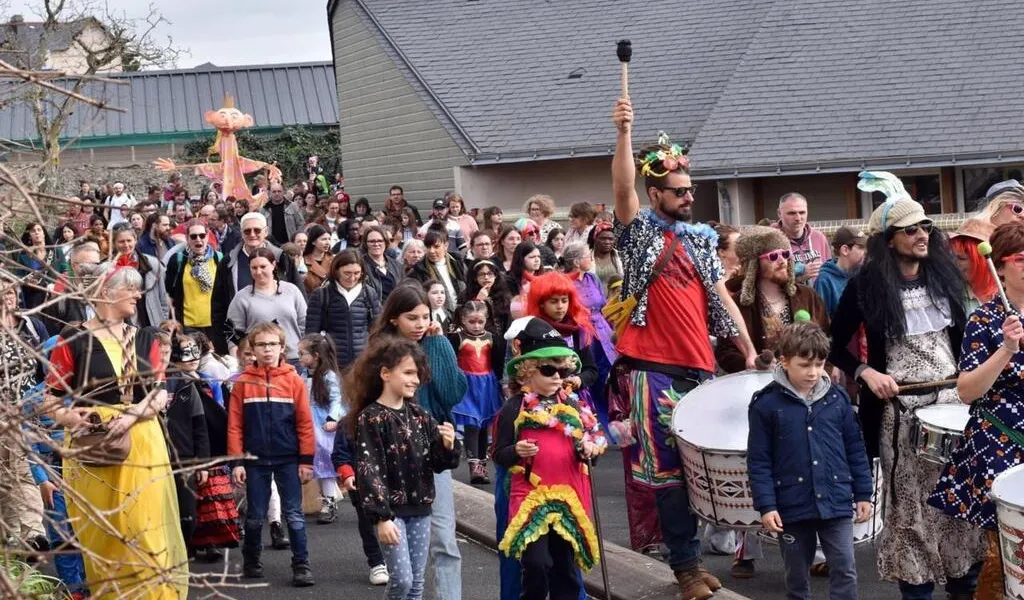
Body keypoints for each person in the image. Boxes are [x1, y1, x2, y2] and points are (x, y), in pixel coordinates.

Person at [611, 96, 756, 600]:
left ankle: (692, 560)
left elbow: (722, 298)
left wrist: (748, 348)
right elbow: (622, 188)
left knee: (699, 472)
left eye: (691, 189)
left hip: (700, 371)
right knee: (669, 476)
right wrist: (624, 132)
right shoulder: (638, 235)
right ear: (656, 194)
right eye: (679, 191)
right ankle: (686, 569)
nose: (689, 197)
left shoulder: (699, 240)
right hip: (653, 371)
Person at [829, 171, 986, 599]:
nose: (922, 235)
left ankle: (963, 588)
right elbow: (834, 346)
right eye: (910, 229)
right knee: (910, 510)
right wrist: (866, 372)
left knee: (959, 505)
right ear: (889, 239)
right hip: (901, 415)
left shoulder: (944, 279)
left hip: (953, 406)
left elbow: (964, 343)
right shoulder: (865, 286)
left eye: (925, 227)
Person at [45, 265, 188, 598]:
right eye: (131, 288)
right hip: (92, 447)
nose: (138, 295)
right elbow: (51, 399)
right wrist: (72, 418)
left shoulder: (146, 338)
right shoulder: (72, 338)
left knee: (145, 532)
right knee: (104, 535)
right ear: (105, 292)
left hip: (142, 442)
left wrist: (132, 415)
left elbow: (159, 393)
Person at [928, 222, 1024, 598]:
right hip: (1001, 442)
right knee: (1006, 555)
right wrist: (1006, 350)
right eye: (1021, 258)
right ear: (1000, 266)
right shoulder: (985, 320)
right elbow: (967, 391)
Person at [747, 322, 873, 600]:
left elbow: (855, 448)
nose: (814, 372)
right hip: (791, 504)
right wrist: (767, 506)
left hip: (836, 499)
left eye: (819, 364)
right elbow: (759, 460)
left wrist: (864, 493)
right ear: (784, 361)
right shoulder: (765, 404)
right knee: (796, 575)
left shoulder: (838, 398)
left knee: (845, 568)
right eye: (804, 365)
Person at [493, 316, 606, 600]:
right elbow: (498, 453)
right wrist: (516, 451)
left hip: (569, 495)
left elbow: (592, 442)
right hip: (531, 496)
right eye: (548, 369)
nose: (557, 376)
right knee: (536, 563)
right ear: (527, 373)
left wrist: (589, 450)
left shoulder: (573, 404)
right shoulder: (514, 407)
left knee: (566, 570)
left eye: (562, 370)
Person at [370, 283, 467, 600]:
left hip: (433, 454)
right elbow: (366, 407)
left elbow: (451, 393)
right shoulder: (381, 354)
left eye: (426, 316)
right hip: (393, 459)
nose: (420, 324)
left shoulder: (435, 344)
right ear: (394, 318)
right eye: (412, 318)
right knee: (406, 561)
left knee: (444, 540)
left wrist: (438, 343)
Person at [349, 336, 460, 600]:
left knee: (416, 583)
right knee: (402, 579)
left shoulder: (421, 415)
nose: (415, 380)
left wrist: (447, 445)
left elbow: (437, 463)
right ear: (385, 373)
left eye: (417, 374)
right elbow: (369, 468)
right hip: (392, 512)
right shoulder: (371, 417)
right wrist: (382, 517)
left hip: (421, 508)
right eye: (408, 372)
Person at [228, 322, 316, 587]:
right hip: (255, 460)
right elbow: (235, 425)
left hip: (288, 458)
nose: (267, 349)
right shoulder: (242, 382)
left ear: (282, 348)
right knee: (255, 516)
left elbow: (304, 423)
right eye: (261, 344)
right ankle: (252, 561)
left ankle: (301, 565)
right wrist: (237, 462)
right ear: (252, 349)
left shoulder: (294, 380)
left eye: (272, 344)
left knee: (294, 514)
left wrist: (306, 460)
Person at [717, 226, 830, 374]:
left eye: (785, 254)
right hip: (759, 383)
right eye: (773, 256)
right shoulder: (738, 303)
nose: (782, 261)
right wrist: (751, 363)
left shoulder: (806, 295)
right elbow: (725, 351)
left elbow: (826, 336)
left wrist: (823, 369)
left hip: (804, 380)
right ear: (754, 264)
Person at [0, 278, 49, 556]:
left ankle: (32, 533)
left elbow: (44, 367)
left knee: (21, 468)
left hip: (27, 411)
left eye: (11, 291)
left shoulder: (30, 326)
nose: (8, 296)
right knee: (7, 475)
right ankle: (16, 537)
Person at [162, 334, 213, 560]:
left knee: (187, 509)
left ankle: (187, 549)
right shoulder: (143, 383)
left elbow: (200, 426)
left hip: (185, 457)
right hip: (155, 455)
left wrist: (202, 463)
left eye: (166, 353)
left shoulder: (186, 384)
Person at [561, 242, 618, 430]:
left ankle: (613, 419)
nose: (592, 259)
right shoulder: (565, 282)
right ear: (577, 262)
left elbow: (603, 305)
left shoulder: (592, 278)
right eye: (588, 255)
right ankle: (595, 421)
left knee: (608, 376)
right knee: (589, 375)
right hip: (582, 332)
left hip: (602, 331)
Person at [447, 300, 503, 484]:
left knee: (484, 423)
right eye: (472, 322)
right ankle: (474, 466)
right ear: (463, 319)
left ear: (486, 319)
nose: (477, 326)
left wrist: (501, 384)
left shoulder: (492, 338)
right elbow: (451, 362)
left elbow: (497, 363)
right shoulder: (457, 338)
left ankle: (482, 464)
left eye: (480, 321)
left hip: (487, 385)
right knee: (472, 424)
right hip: (467, 384)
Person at [226, 247, 307, 367]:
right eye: (254, 268)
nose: (258, 272)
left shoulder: (291, 290)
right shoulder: (241, 297)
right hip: (258, 362)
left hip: (293, 359)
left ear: (273, 265)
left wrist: (304, 353)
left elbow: (304, 323)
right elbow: (232, 332)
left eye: (263, 267)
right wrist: (236, 362)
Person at [298, 333, 345, 524]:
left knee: (325, 464)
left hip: (321, 424)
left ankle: (329, 503)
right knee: (313, 463)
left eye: (302, 354)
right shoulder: (304, 374)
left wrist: (333, 418)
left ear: (316, 355)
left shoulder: (328, 376)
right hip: (306, 421)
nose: (299, 358)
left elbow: (336, 398)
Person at [305, 250, 381, 368]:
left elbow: (377, 330)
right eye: (347, 273)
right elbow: (311, 334)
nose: (352, 278)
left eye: (357, 273)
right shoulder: (321, 295)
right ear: (336, 271)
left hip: (363, 364)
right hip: (332, 364)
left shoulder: (369, 294)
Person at [213, 212, 304, 310]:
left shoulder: (281, 258)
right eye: (247, 231)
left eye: (257, 230)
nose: (252, 235)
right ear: (241, 233)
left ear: (266, 232)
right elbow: (218, 301)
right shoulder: (228, 261)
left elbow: (299, 295)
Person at [165, 220, 229, 352]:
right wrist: (173, 321)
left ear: (207, 236)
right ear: (187, 238)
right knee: (191, 360)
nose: (198, 239)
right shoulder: (178, 260)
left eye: (202, 235)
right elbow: (169, 294)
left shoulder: (219, 258)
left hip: (214, 325)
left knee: (213, 361)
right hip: (188, 326)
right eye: (193, 236)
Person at [109, 223, 169, 328]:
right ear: (114, 243)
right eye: (121, 242)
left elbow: (163, 298)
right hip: (121, 324)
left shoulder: (152, 264)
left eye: (129, 240)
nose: (126, 245)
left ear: (135, 240)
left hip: (151, 323)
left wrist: (163, 324)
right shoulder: (109, 268)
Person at [774, 193, 832, 284]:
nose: (798, 218)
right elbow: (765, 281)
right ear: (779, 213)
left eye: (802, 212)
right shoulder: (769, 240)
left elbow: (829, 272)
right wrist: (798, 279)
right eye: (791, 213)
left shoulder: (819, 237)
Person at [813, 226, 868, 317]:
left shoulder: (864, 275)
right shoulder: (824, 281)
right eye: (861, 247)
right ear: (845, 250)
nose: (866, 252)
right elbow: (821, 319)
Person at [947, 217, 997, 314]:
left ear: (984, 261)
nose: (954, 263)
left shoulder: (1009, 292)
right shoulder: (951, 295)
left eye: (961, 258)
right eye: (952, 257)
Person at [410, 229, 466, 312]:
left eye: (436, 247)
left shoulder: (457, 262)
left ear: (446, 246)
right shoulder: (419, 270)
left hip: (463, 311)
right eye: (428, 247)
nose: (431, 251)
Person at [16, 221, 65, 310]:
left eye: (39, 230)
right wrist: (27, 280)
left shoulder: (56, 251)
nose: (37, 232)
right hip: (33, 297)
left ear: (44, 233)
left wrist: (57, 288)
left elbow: (66, 272)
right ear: (29, 235)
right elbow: (18, 276)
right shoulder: (24, 255)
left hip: (54, 295)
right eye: (33, 231)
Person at [362, 225, 405, 304]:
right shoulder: (360, 265)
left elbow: (403, 290)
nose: (376, 244)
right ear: (365, 243)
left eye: (380, 241)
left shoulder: (396, 265)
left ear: (386, 242)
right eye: (372, 241)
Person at [261, 182, 305, 247]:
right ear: (270, 193)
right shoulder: (264, 209)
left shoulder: (293, 206)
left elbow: (300, 224)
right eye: (274, 192)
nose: (277, 193)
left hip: (290, 243)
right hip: (271, 245)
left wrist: (298, 239)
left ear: (283, 192)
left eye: (279, 191)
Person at [588, 222, 622, 293]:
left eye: (610, 239)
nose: (607, 242)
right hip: (592, 297)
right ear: (595, 239)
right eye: (603, 238)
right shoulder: (586, 257)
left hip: (615, 297)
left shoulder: (620, 257)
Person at [303, 224, 334, 294]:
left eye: (329, 239)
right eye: (324, 239)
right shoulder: (303, 260)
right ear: (313, 241)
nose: (327, 243)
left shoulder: (334, 260)